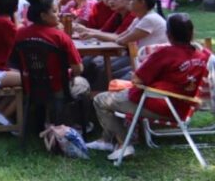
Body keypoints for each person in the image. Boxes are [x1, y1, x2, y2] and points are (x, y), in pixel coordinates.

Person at [88, 13, 211, 161]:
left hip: (158, 103)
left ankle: (123, 144)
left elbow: (137, 79)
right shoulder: (204, 55)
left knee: (101, 100)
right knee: (118, 88)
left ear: (168, 35)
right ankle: (107, 140)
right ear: (191, 33)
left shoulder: (165, 54)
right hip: (184, 106)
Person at [78, 0, 166, 89]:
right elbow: (119, 37)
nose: (130, 2)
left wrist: (94, 34)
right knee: (98, 66)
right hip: (139, 58)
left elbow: (123, 40)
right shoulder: (138, 19)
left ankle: (97, 98)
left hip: (150, 63)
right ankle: (90, 95)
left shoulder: (149, 19)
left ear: (142, 2)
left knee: (104, 69)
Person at [15, 0, 88, 116]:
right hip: (58, 87)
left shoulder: (20, 34)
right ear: (43, 16)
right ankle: (77, 122)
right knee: (83, 83)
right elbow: (78, 69)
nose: (58, 14)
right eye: (54, 12)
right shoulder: (60, 36)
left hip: (30, 85)